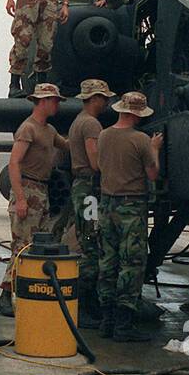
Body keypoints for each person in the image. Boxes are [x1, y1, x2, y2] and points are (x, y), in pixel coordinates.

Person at [0, 82, 69, 317]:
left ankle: (25, 290)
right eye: (55, 101)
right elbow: (14, 162)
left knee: (36, 245)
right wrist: (20, 198)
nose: (57, 105)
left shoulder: (48, 131)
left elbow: (66, 146)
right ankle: (5, 294)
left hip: (42, 191)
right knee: (22, 245)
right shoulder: (28, 129)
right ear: (44, 101)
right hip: (28, 190)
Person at [97, 91, 162, 341]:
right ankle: (123, 325)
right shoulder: (141, 139)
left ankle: (106, 321)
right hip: (131, 206)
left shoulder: (103, 135)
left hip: (107, 204)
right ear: (138, 114)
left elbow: (101, 167)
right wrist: (154, 149)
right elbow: (153, 174)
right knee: (131, 264)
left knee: (108, 261)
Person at [67, 79, 114, 328]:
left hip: (82, 187)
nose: (106, 102)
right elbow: (96, 162)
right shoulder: (91, 124)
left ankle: (86, 303)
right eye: (103, 98)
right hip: (89, 188)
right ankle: (85, 305)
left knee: (87, 241)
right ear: (94, 98)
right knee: (90, 245)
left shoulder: (78, 121)